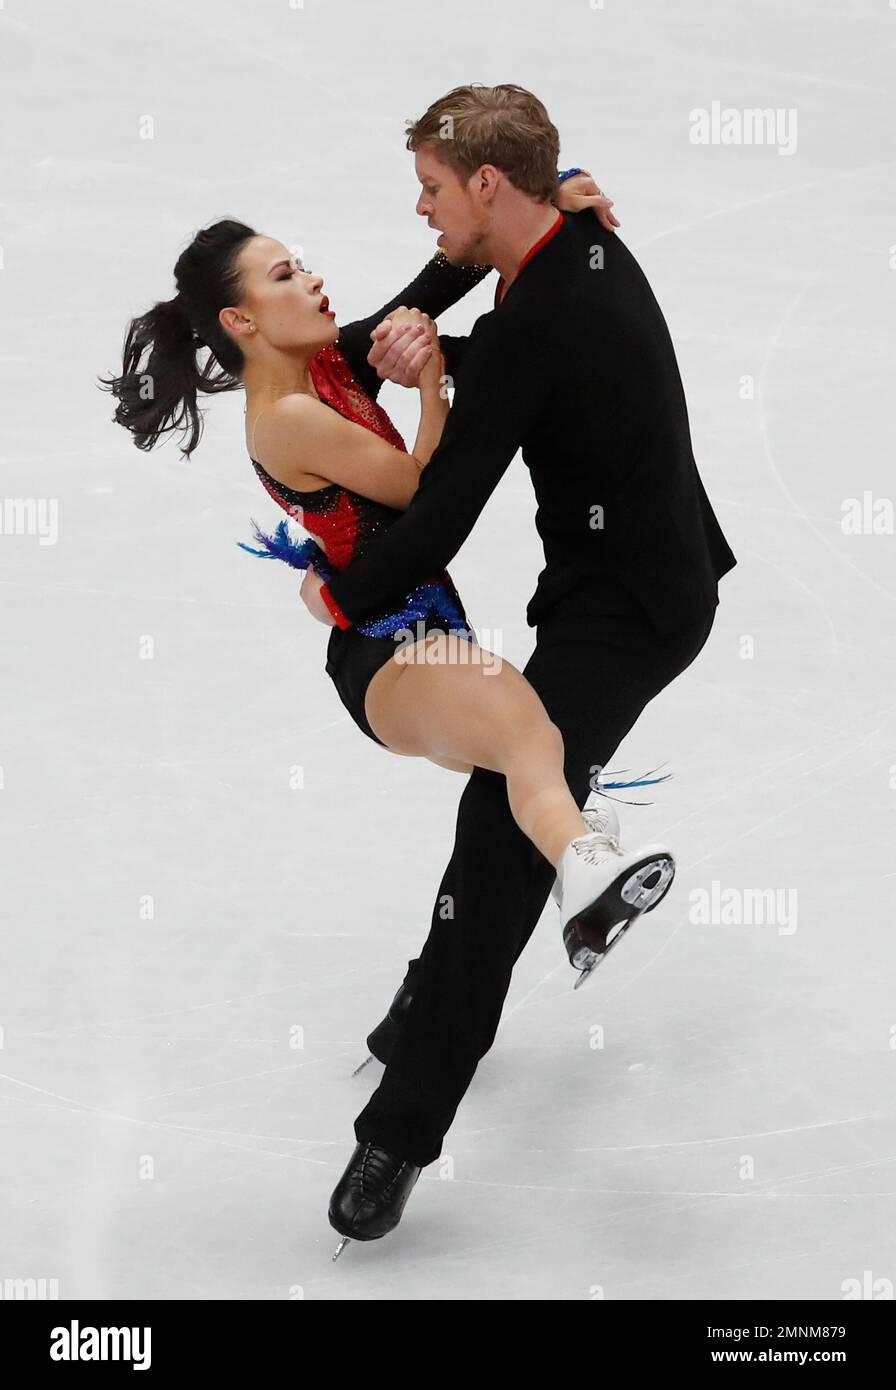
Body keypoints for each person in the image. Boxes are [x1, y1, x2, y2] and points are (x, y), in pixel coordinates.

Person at [294, 83, 738, 1254]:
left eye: (434, 194)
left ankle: (396, 1132)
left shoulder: (537, 332)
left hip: (630, 615)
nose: (422, 213)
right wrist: (400, 338)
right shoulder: (569, 234)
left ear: (490, 185)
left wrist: (338, 593)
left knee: (497, 841)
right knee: (502, 811)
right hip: (629, 576)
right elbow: (434, 293)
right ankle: (415, 1007)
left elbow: (436, 520)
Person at [99, 179, 673, 1000]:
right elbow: (421, 485)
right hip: (388, 655)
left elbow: (427, 295)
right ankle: (588, 873)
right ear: (241, 321)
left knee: (535, 750)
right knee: (520, 720)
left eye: (302, 266)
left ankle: (482, 947)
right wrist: (434, 380)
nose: (313, 280)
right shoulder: (286, 415)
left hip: (421, 630)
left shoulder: (324, 361)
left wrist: (534, 197)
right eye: (287, 276)